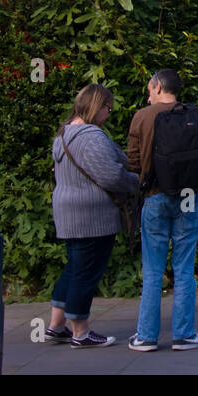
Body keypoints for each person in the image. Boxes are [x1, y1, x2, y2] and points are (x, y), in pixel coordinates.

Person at [125, 68, 198, 351]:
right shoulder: (196, 114)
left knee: (152, 269)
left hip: (155, 196)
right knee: (184, 267)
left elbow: (133, 162)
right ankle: (184, 334)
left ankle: (146, 336)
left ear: (157, 87)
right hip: (188, 196)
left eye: (150, 90)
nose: (149, 95)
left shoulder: (142, 117)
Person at [47, 83, 140, 348]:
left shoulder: (64, 135)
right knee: (86, 272)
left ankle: (56, 326)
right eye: (107, 108)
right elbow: (111, 176)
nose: (108, 114)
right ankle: (81, 332)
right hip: (91, 216)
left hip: (67, 213)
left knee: (73, 267)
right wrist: (136, 181)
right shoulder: (91, 137)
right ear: (96, 106)